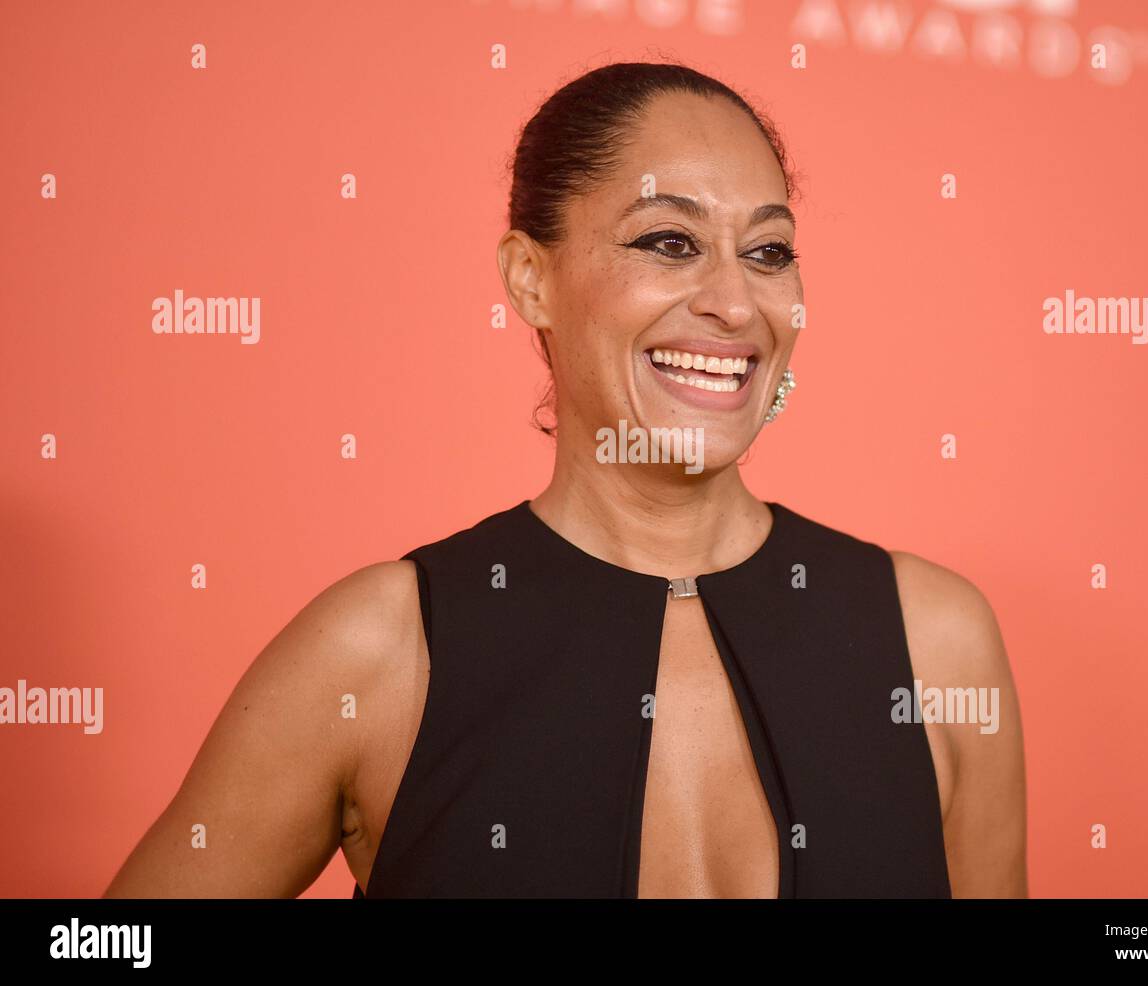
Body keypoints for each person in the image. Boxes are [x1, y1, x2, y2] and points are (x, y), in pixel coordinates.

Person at [105, 61, 1026, 899]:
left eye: (768, 251)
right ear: (530, 278)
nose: (736, 302)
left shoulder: (937, 640)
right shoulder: (381, 651)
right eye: (669, 242)